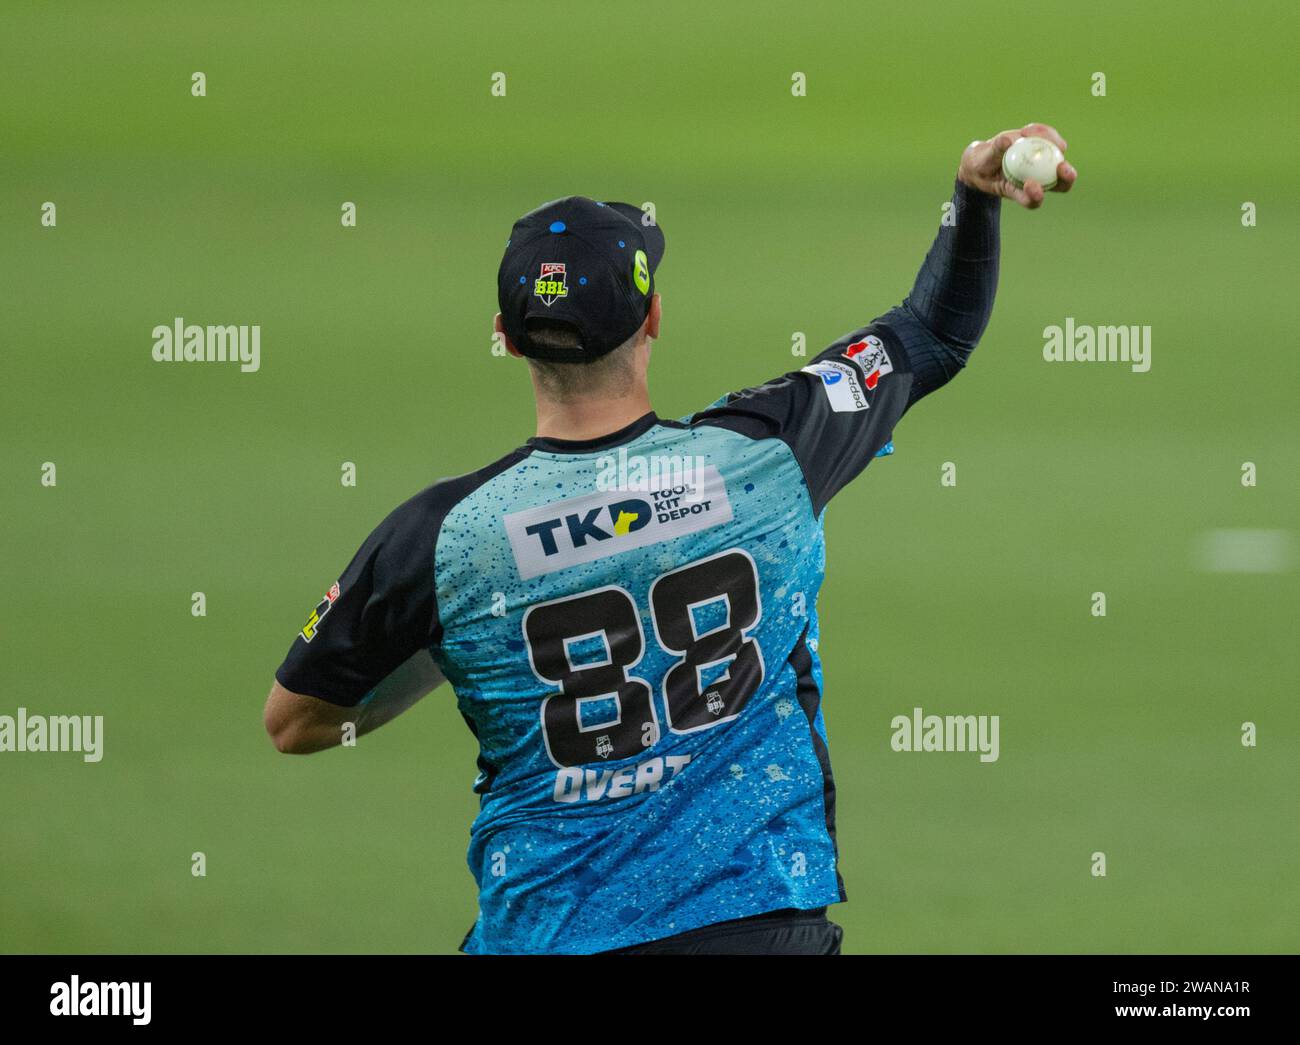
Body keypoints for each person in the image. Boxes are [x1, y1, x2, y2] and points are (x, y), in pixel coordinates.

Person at [264, 123, 1076, 954]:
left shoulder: (445, 539)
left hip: (547, 938)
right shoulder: (770, 453)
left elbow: (297, 721)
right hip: (758, 928)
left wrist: (459, 635)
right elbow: (933, 332)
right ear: (653, 314)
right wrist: (973, 199)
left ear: (505, 337)